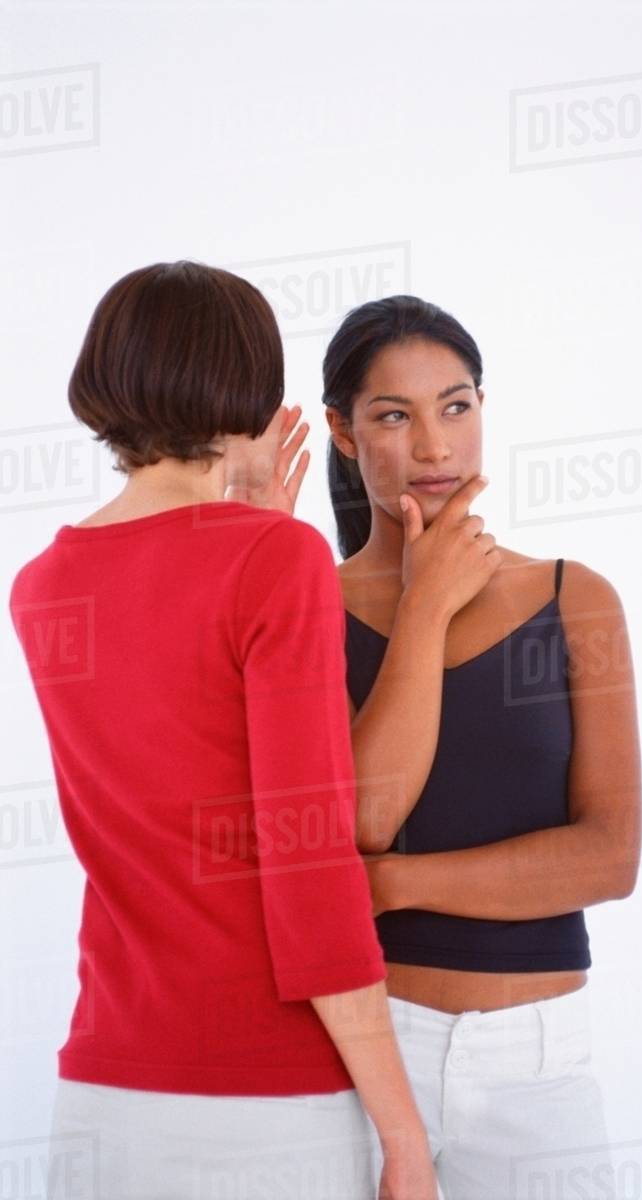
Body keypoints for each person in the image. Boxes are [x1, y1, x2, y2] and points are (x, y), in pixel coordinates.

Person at [7, 263, 439, 1200]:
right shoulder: (276, 559)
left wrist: (247, 539)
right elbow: (308, 866)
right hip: (264, 1106)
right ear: (246, 382)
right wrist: (403, 1134)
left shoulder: (41, 586)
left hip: (101, 1093)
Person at [315, 295, 642, 1199]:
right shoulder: (308, 607)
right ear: (342, 432)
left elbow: (607, 857)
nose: (434, 446)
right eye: (394, 416)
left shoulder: (574, 599)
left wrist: (395, 885)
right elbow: (363, 814)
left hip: (539, 1064)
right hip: (365, 1057)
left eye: (455, 406)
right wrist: (424, 606)